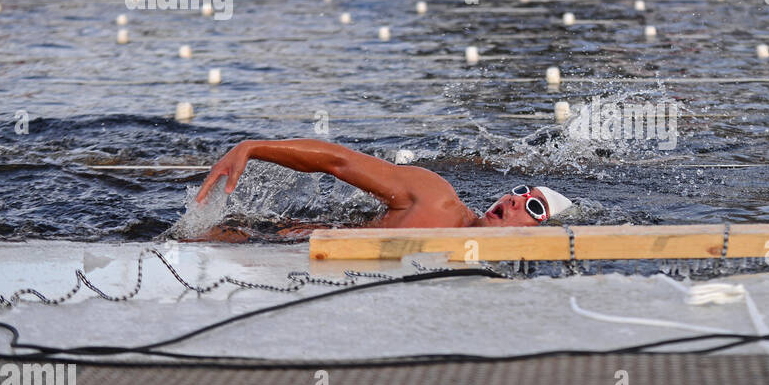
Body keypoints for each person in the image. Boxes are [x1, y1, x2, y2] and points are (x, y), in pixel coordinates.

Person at [196, 139, 573, 231]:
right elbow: (339, 163)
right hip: (279, 244)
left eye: (534, 208)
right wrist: (253, 148)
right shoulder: (433, 198)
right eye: (521, 191)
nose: (514, 200)